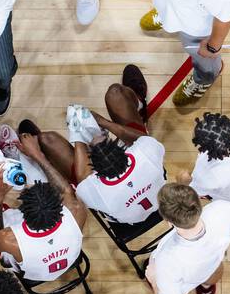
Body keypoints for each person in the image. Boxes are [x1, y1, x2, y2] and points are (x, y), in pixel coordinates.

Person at [36, 69, 165, 226]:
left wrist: (78, 135)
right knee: (115, 92)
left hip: (126, 219)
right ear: (125, 153)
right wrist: (103, 122)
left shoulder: (94, 189)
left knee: (46, 140)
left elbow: (83, 174)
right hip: (161, 198)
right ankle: (137, 103)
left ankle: (34, 151)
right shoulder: (145, 153)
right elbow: (140, 138)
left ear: (95, 170)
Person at [0, 122, 89, 282]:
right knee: (39, 180)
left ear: (23, 215)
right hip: (65, 259)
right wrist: (37, 154)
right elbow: (66, 191)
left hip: (29, 270)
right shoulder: (77, 211)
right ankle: (14, 162)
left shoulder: (9, 238)